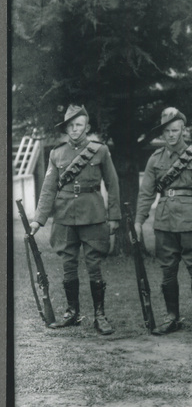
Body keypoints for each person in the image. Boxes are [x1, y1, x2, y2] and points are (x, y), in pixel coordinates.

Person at [31, 104, 121, 334]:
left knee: (94, 265)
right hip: (64, 216)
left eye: (78, 124)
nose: (74, 129)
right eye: (70, 125)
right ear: (65, 128)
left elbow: (112, 184)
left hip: (92, 215)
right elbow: (48, 189)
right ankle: (72, 312)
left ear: (87, 127)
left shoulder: (100, 151)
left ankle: (99, 315)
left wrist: (114, 217)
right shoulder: (56, 153)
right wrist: (38, 220)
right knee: (68, 264)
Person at [135, 108, 192, 336]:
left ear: (182, 130)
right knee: (167, 271)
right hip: (165, 222)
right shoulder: (155, 159)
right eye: (167, 131)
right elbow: (146, 193)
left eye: (175, 130)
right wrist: (139, 220)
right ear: (163, 132)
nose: (171, 135)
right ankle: (172, 317)